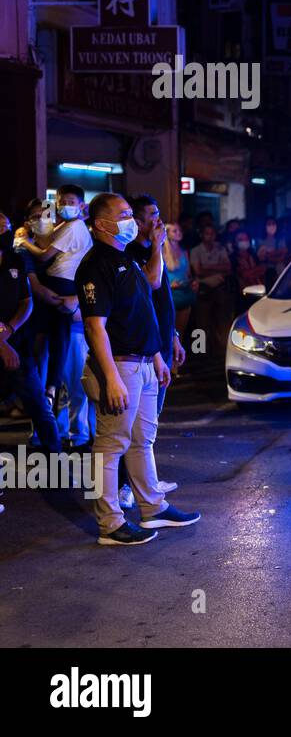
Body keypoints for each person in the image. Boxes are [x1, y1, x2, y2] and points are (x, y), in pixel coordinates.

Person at [77, 193, 199, 546]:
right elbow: (94, 327)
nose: (133, 219)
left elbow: (150, 293)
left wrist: (157, 357)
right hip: (120, 366)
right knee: (110, 444)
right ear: (101, 224)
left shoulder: (125, 257)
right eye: (125, 214)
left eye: (132, 213)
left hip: (144, 364)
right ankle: (110, 523)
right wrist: (111, 377)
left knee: (141, 441)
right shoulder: (95, 265)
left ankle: (152, 508)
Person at [18, 186, 92, 446]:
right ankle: (46, 433)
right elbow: (37, 289)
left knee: (71, 380)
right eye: (36, 217)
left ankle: (76, 434)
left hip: (70, 318)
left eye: (45, 215)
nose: (42, 220)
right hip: (42, 318)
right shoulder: (25, 250)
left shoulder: (66, 232)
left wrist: (74, 303)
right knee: (45, 372)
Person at [127, 196, 183, 500]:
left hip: (160, 344)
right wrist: (159, 247)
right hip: (144, 350)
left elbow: (162, 304)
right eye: (151, 215)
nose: (157, 221)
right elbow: (153, 284)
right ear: (137, 221)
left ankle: (147, 482)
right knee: (134, 427)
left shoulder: (152, 251)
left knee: (150, 423)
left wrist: (173, 336)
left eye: (158, 213)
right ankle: (127, 487)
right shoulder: (133, 252)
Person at [0, 211, 59, 452]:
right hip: (6, 345)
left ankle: (56, 462)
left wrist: (9, 330)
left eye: (7, 227)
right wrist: (1, 343)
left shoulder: (16, 260)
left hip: (20, 346)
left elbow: (27, 301)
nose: (4, 232)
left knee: (40, 408)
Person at [190, 223, 233, 358]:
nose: (210, 236)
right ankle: (200, 352)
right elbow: (198, 271)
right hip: (203, 290)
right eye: (207, 233)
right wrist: (217, 267)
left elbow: (228, 267)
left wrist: (207, 267)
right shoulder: (196, 250)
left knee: (221, 322)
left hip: (220, 289)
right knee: (202, 323)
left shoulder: (220, 248)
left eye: (212, 233)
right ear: (202, 235)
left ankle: (221, 353)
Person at [163, 221, 196, 341]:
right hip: (170, 294)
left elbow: (188, 274)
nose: (179, 233)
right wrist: (170, 284)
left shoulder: (184, 251)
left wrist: (193, 281)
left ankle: (178, 358)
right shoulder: (162, 252)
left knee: (181, 330)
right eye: (174, 231)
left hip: (184, 292)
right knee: (169, 331)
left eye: (180, 230)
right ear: (167, 233)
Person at [257, 217, 289, 288]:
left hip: (279, 270)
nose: (271, 226)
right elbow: (261, 256)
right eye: (269, 224)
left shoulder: (280, 239)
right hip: (266, 271)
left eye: (273, 224)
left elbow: (283, 254)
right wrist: (276, 253)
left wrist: (271, 254)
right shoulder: (260, 240)